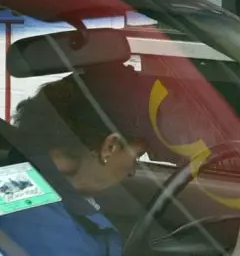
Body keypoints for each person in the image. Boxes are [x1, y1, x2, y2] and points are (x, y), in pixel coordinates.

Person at [0, 73, 149, 255]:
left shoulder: (14, 183)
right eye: (137, 156)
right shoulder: (60, 239)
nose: (132, 172)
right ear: (110, 147)